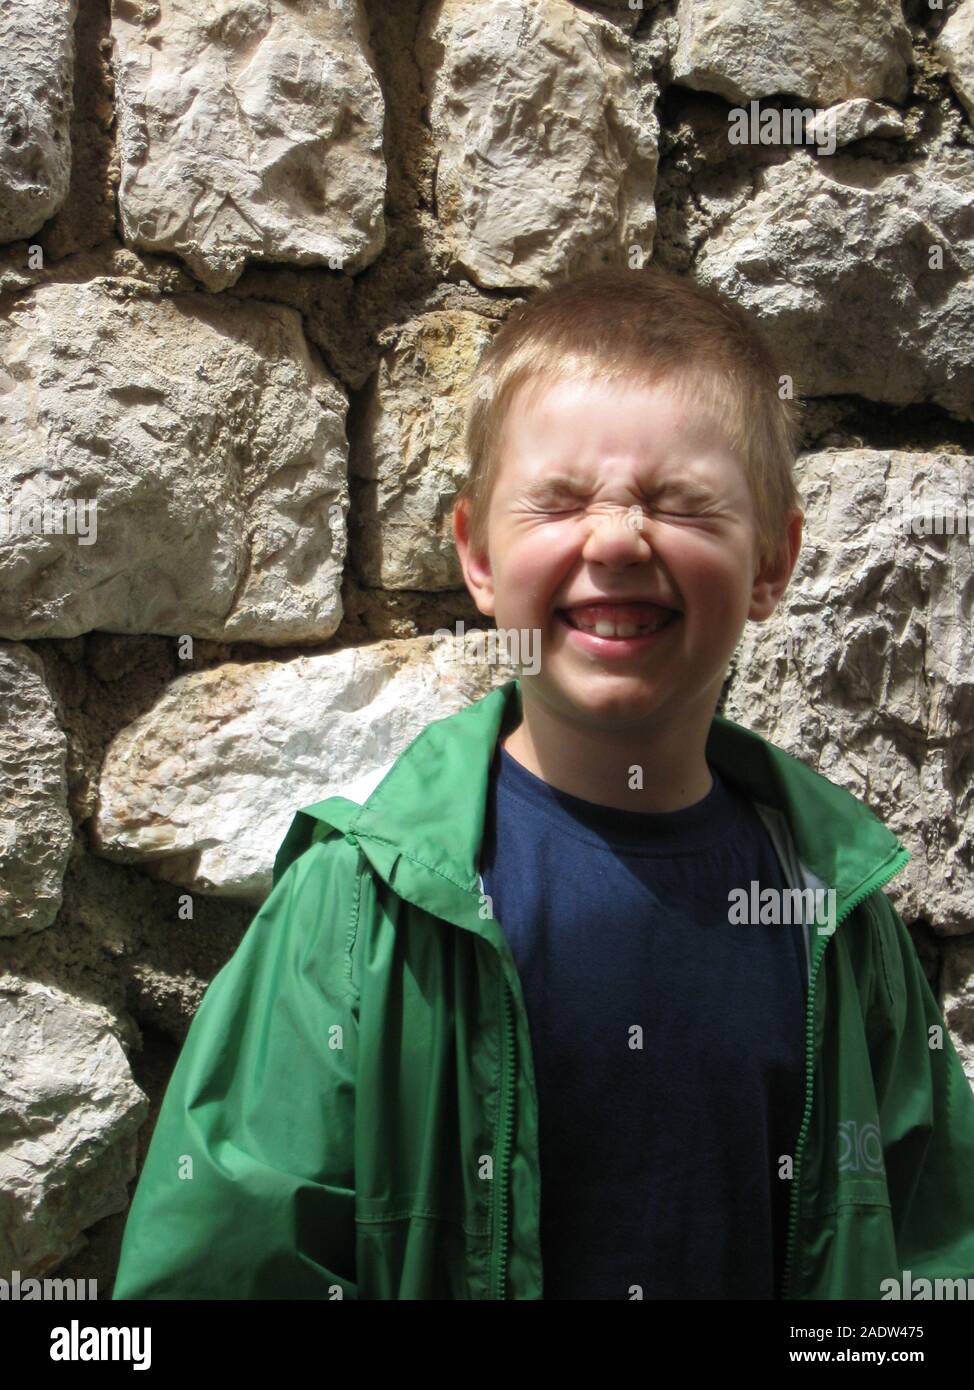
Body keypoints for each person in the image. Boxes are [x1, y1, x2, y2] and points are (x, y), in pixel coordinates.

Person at [112, 266, 974, 1300]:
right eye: (559, 502)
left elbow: (933, 1257)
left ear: (770, 562)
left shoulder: (836, 921)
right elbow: (220, 1270)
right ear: (477, 556)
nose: (615, 539)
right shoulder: (353, 919)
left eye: (682, 503)